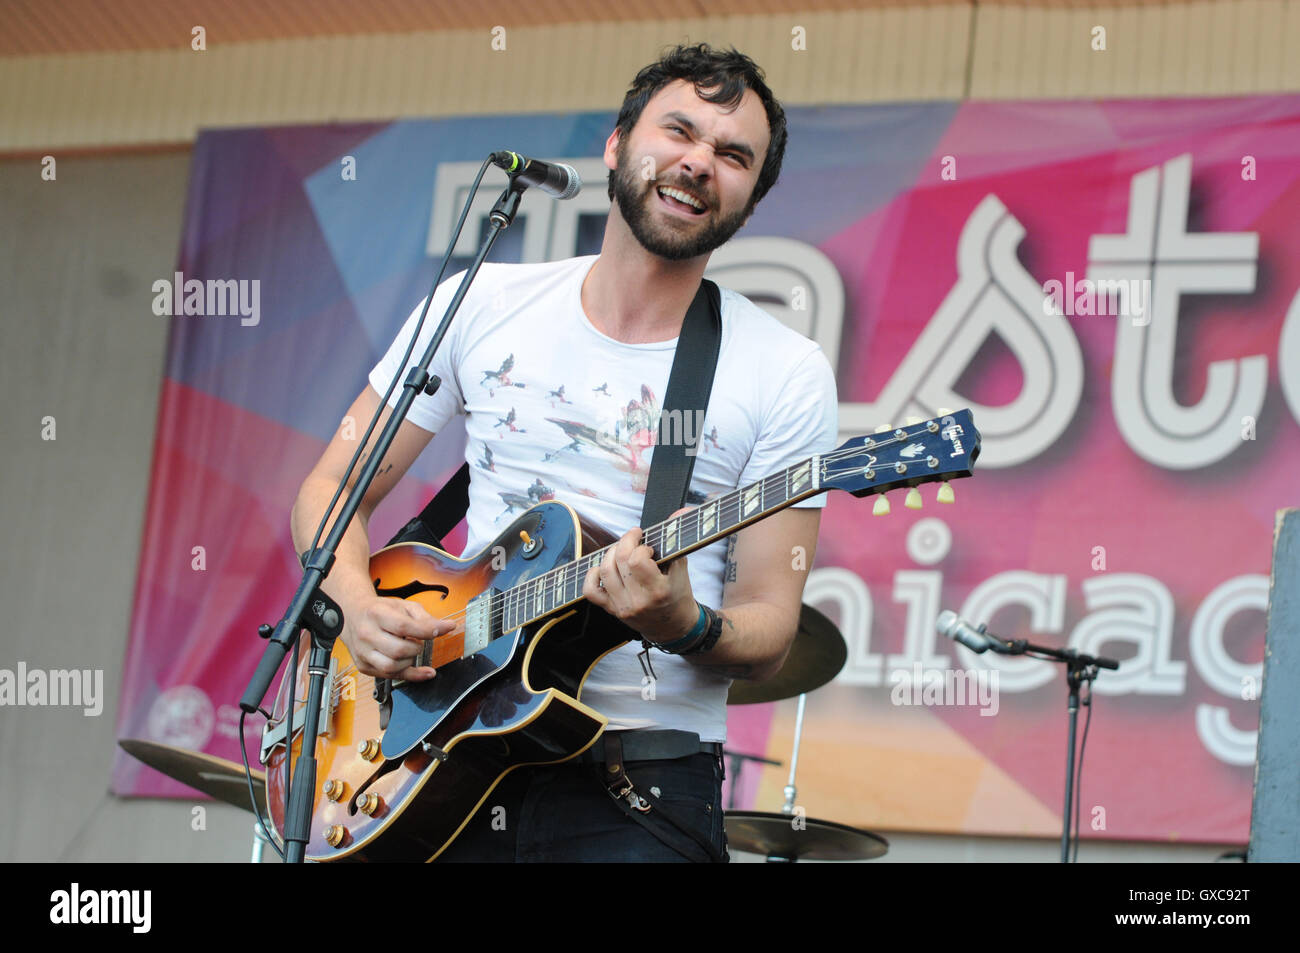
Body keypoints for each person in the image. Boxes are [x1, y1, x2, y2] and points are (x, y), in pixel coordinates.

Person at [290, 43, 838, 862]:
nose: (698, 162)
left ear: (750, 197)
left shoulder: (785, 371)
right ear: (618, 144)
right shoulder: (482, 302)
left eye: (732, 155)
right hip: (438, 750)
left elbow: (768, 628)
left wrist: (682, 620)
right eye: (679, 130)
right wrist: (358, 612)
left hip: (641, 784)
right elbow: (332, 488)